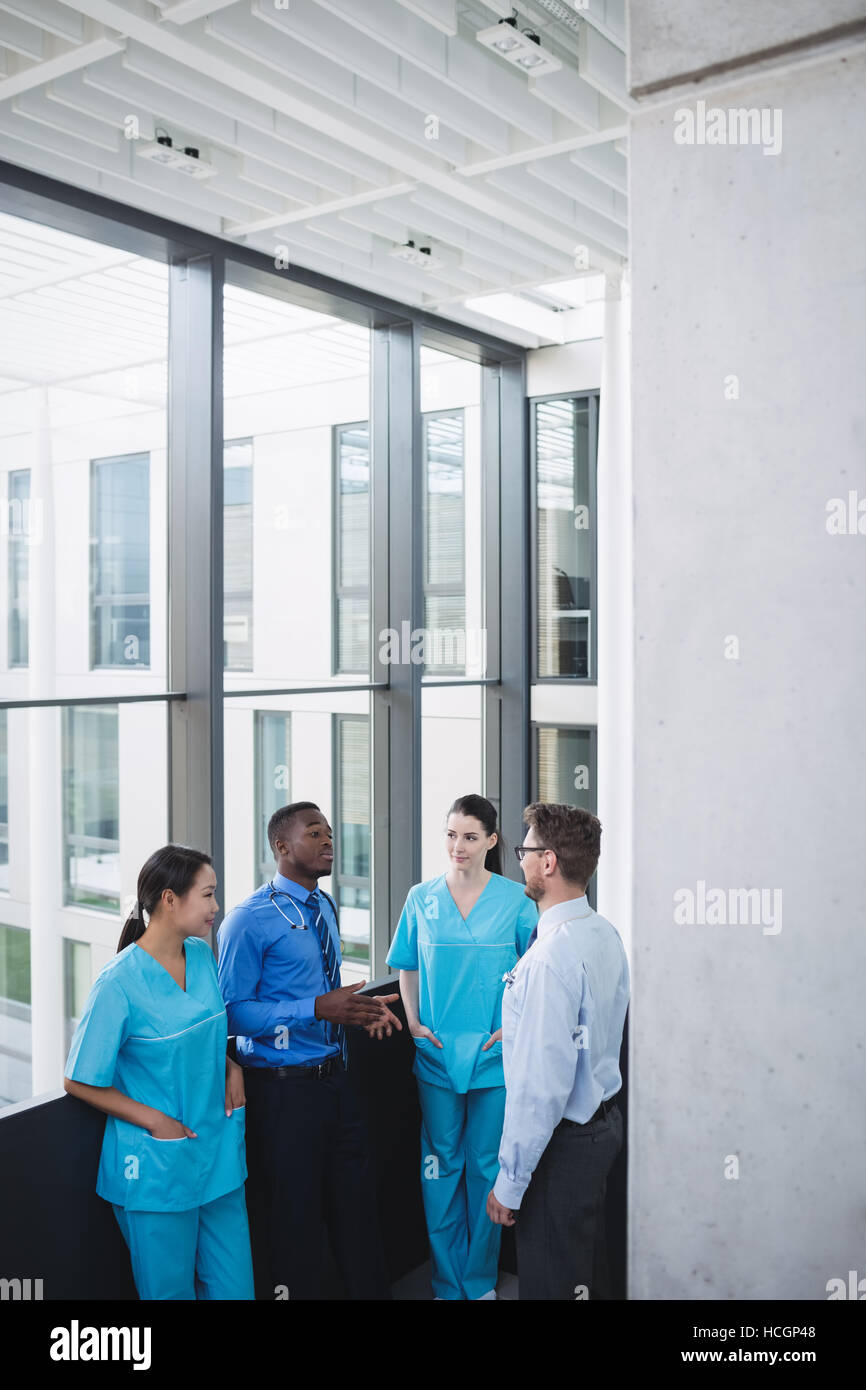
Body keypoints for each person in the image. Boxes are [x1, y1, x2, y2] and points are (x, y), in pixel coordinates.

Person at [217, 801, 400, 1301]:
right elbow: (232, 1012)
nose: (328, 841)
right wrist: (316, 1008)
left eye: (330, 833)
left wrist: (361, 1010)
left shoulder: (323, 906)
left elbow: (325, 997)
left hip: (337, 1084)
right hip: (282, 1096)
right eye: (314, 833)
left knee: (358, 1216)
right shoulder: (247, 921)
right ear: (282, 847)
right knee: (293, 1224)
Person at [63, 845, 255, 1301]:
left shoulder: (203, 957)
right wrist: (155, 1122)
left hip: (217, 1154)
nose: (215, 907)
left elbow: (200, 1031)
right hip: (156, 1167)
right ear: (170, 899)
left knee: (236, 1289)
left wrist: (229, 1065)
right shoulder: (118, 983)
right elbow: (79, 1077)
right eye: (207, 895)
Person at [387, 793, 537, 1301]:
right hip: (436, 1055)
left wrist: (511, 1030)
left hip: (495, 1058)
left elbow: (535, 973)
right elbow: (406, 963)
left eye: (470, 837)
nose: (458, 845)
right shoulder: (420, 898)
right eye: (451, 834)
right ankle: (447, 1284)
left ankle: (478, 1282)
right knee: (440, 1168)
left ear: (492, 842)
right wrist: (411, 1020)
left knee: (484, 1167)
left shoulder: (517, 901)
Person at [486, 803, 629, 1301]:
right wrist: (527, 1032)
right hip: (602, 1127)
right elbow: (592, 1026)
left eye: (524, 851)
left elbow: (540, 1090)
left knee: (553, 1280)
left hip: (563, 1144)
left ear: (548, 862)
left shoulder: (549, 957)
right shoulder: (603, 933)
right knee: (587, 1272)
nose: (519, 860)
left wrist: (509, 1182)